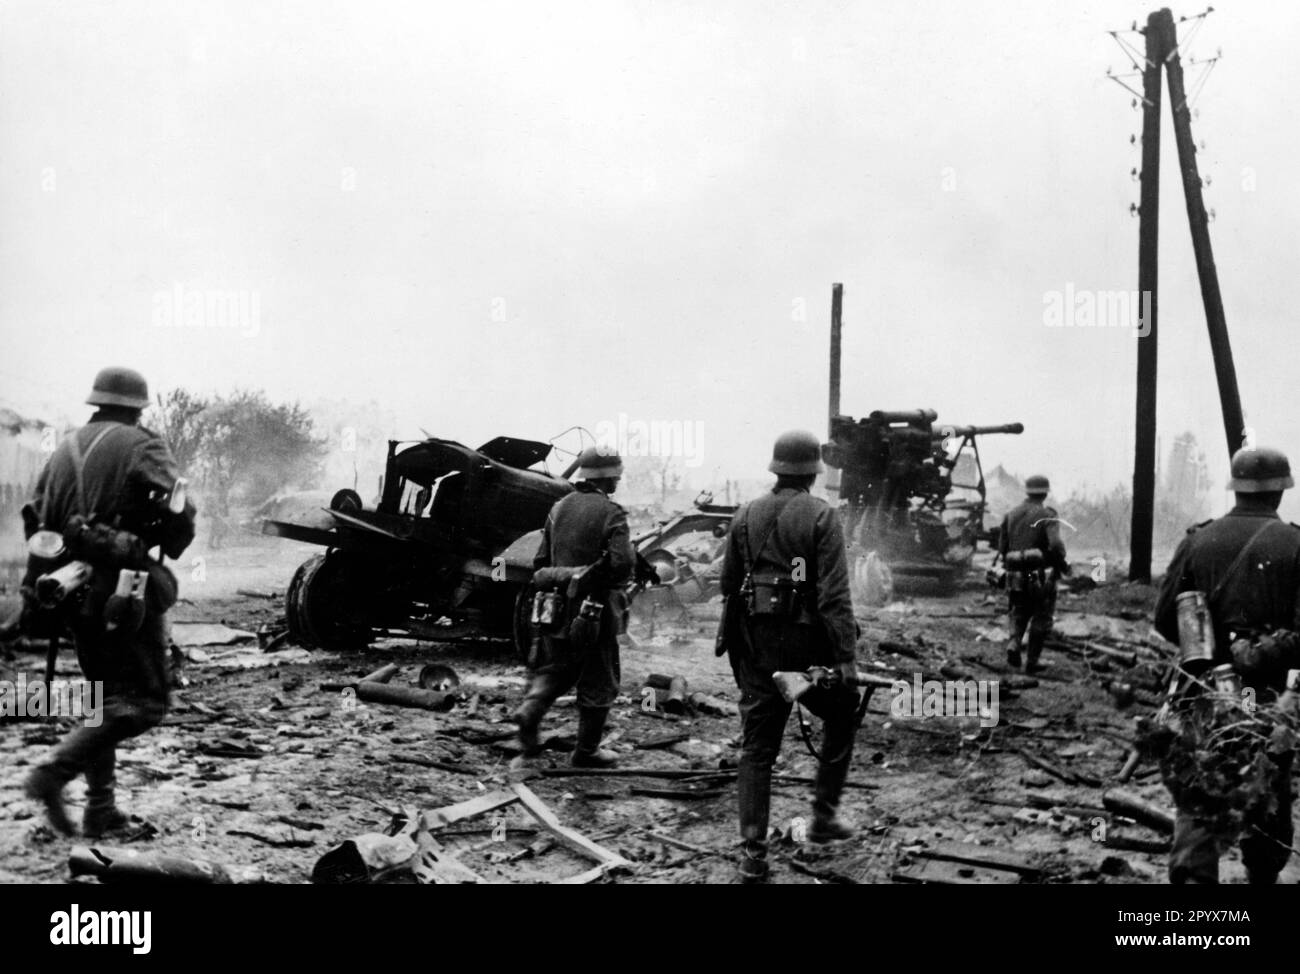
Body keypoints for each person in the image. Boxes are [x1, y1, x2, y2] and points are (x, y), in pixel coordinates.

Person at [21, 367, 196, 838]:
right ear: (138, 406)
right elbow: (182, 509)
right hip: (125, 592)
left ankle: (101, 810)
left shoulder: (63, 448)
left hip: (70, 589)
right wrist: (170, 535)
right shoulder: (142, 445)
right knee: (146, 701)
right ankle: (52, 773)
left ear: (96, 401)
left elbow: (36, 523)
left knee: (103, 698)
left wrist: (37, 591)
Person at [718, 429, 861, 883]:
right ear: (813, 474)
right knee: (841, 715)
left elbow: (728, 587)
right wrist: (847, 660)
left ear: (777, 469)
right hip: (807, 658)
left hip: (758, 652)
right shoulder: (822, 516)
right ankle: (822, 818)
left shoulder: (745, 514)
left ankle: (752, 855)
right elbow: (835, 597)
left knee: (757, 750)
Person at [1153, 445, 1300, 884]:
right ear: (1279, 492)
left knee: (1199, 791)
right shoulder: (1297, 544)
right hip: (1267, 699)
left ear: (1235, 490)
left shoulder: (1197, 540)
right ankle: (1261, 876)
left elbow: (1165, 621)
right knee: (1268, 788)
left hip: (1201, 695)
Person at [512, 446, 634, 768]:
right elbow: (622, 565)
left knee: (556, 668)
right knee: (600, 676)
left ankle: (530, 711)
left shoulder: (558, 508)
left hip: (556, 609)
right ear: (608, 477)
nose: (618, 481)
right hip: (595, 613)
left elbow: (540, 561)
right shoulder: (612, 513)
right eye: (616, 476)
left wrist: (564, 575)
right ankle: (587, 752)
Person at [997, 474, 1069, 674]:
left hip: (1015, 575)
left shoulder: (1010, 514)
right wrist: (1060, 560)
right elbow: (1055, 545)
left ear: (1027, 492)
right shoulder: (1048, 515)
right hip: (1039, 576)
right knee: (1042, 615)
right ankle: (1032, 661)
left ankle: (1013, 643)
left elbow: (1002, 547)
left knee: (1019, 611)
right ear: (1045, 493)